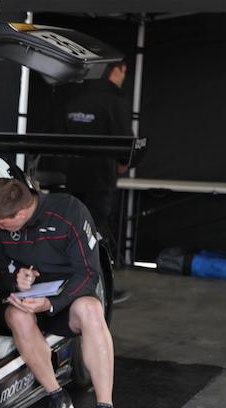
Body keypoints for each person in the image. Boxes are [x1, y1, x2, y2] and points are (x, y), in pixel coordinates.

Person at [0, 178, 117, 408]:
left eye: (0, 223)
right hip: (28, 302)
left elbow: (88, 273)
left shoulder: (68, 212)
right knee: (17, 316)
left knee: (91, 309)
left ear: (20, 213)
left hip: (67, 299)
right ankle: (56, 396)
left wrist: (54, 303)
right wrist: (15, 280)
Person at [61, 59, 132, 304]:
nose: (124, 77)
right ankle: (98, 289)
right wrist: (125, 161)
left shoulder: (77, 99)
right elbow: (125, 141)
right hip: (100, 179)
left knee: (73, 232)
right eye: (124, 72)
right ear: (115, 70)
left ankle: (72, 285)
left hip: (73, 177)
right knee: (96, 234)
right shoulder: (115, 101)